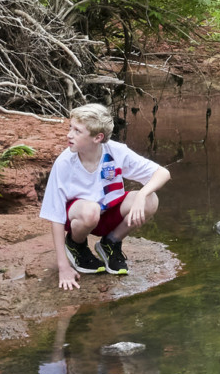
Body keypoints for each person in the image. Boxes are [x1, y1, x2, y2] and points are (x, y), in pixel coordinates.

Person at [41, 103, 170, 285]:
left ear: (98, 137)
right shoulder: (64, 163)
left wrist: (141, 195)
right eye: (70, 128)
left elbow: (163, 173)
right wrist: (63, 267)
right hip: (82, 218)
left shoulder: (116, 151)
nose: (69, 135)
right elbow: (55, 215)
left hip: (109, 213)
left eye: (77, 131)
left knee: (150, 199)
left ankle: (110, 243)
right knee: (91, 210)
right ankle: (76, 245)